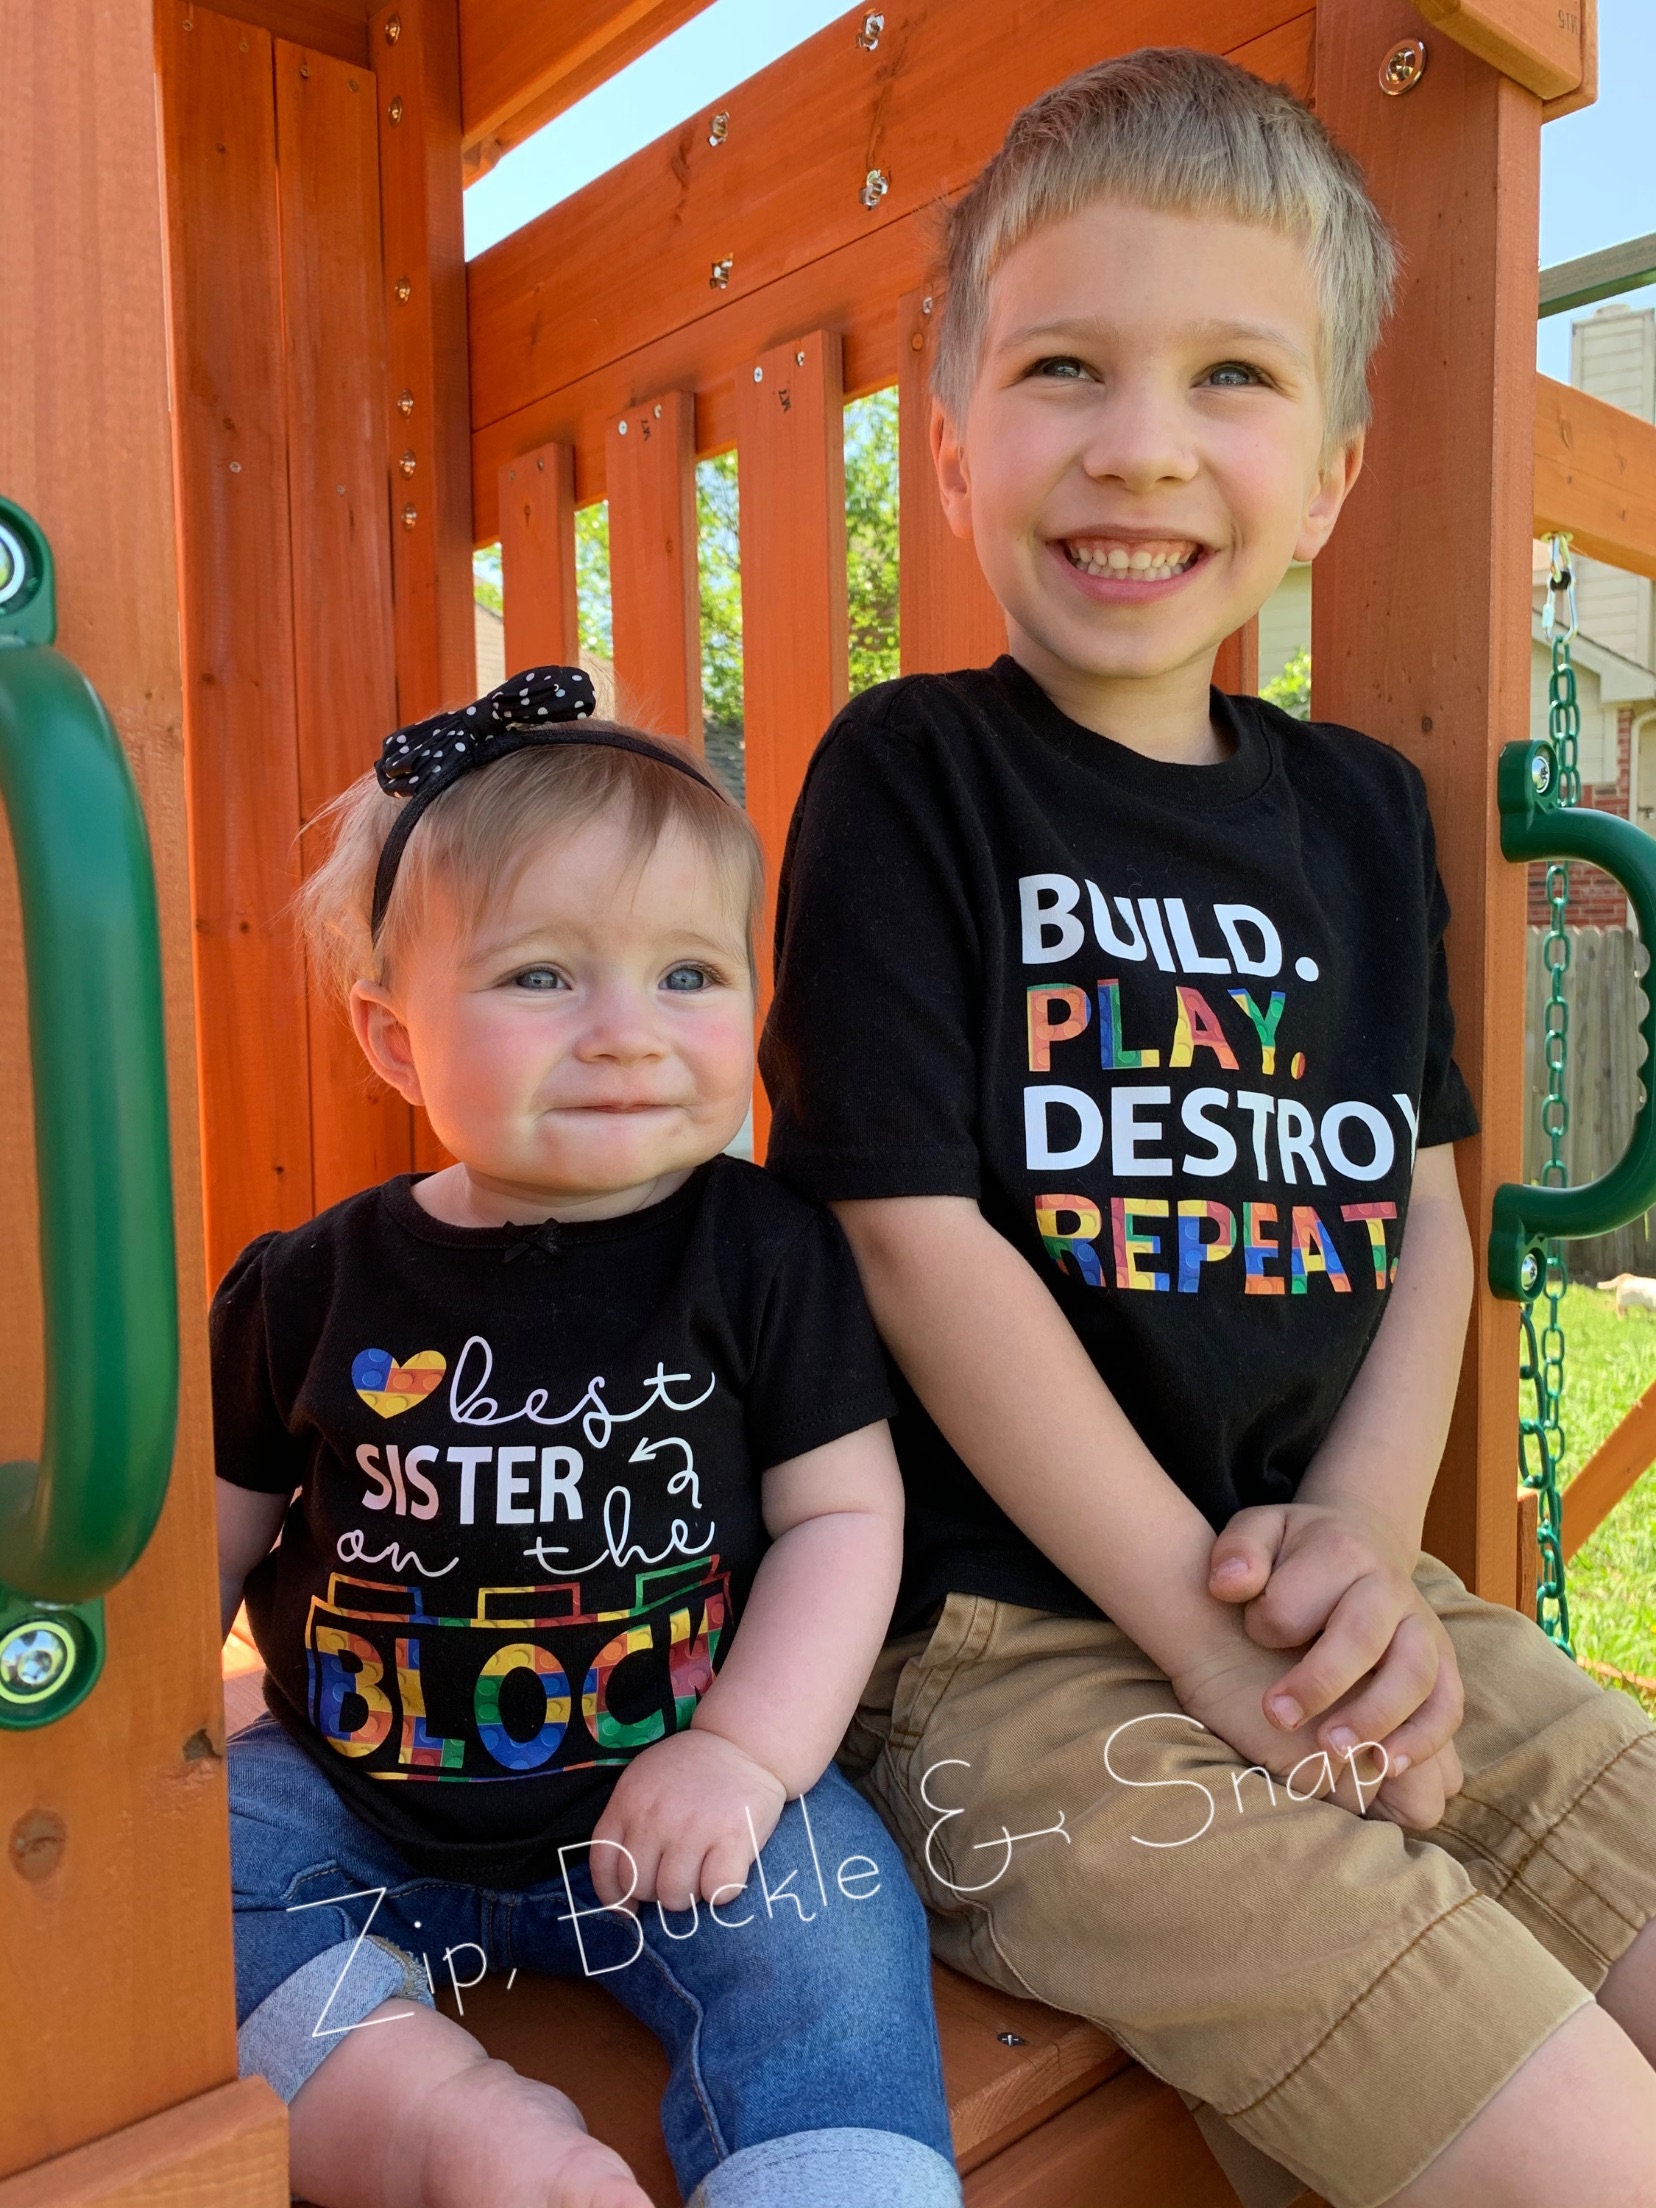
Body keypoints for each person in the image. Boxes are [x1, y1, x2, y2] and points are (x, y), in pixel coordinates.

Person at [760, 49, 1656, 2208]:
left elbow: (1426, 1211)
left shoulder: (1355, 814)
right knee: (1580, 2150)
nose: (1141, 444)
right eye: (1069, 365)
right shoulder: (914, 777)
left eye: (1232, 376)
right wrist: (1192, 1616)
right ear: (958, 446)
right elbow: (908, 1234)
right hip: (998, 1659)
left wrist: (1357, 1539)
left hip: (1351, 1602)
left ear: (1332, 473)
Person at [213, 668, 962, 2208]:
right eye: (544, 978)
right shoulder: (311, 1285)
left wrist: (748, 1756)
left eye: (689, 974)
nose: (629, 1033)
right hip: (349, 1790)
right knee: (169, 1887)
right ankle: (438, 2127)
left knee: (836, 1922)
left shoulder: (764, 1255)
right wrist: (159, 1727)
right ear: (397, 1042)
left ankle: (830, 2180)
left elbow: (843, 1520)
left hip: (669, 1804)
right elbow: (208, 1540)